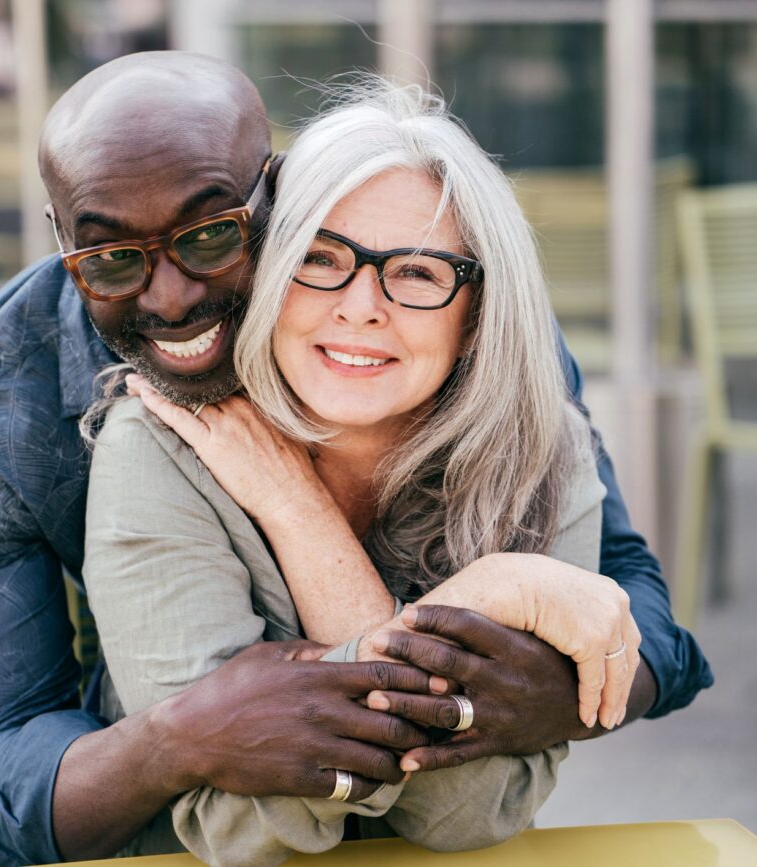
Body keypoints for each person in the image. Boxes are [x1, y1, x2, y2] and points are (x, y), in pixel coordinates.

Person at [0, 52, 712, 867]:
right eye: (109, 256)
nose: (171, 298)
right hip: (49, 679)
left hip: (284, 731)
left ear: (271, 198)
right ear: (63, 240)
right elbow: (11, 761)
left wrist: (561, 686)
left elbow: (638, 613)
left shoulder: (465, 330)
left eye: (209, 235)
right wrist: (186, 735)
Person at [82, 80, 639, 864]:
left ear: (476, 310)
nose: (361, 306)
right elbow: (242, 828)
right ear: (269, 275)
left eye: (416, 272)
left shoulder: (543, 453)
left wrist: (296, 512)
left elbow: (469, 810)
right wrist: (489, 601)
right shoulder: (163, 447)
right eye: (321, 257)